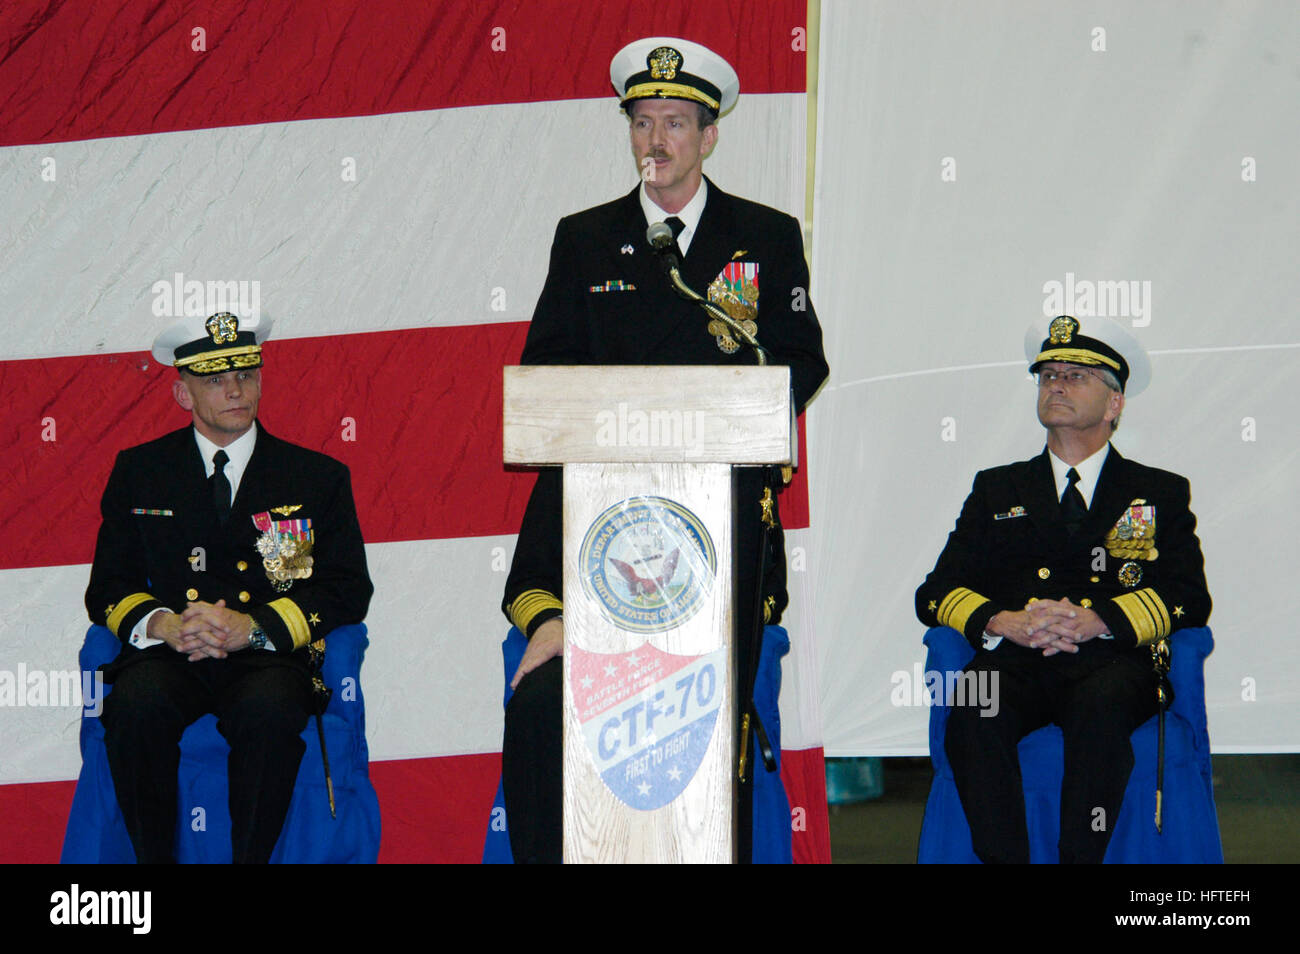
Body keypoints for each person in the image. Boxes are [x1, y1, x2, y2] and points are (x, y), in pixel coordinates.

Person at [501, 36, 829, 863]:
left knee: (711, 732)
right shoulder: (584, 238)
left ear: (710, 134)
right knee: (544, 713)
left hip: (721, 530)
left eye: (675, 123)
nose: (656, 140)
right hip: (599, 529)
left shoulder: (764, 234)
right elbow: (547, 370)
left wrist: (715, 407)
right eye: (642, 122)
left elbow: (804, 359)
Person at [915, 314, 1211, 863]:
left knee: (1100, 712)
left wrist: (1100, 619)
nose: (1056, 384)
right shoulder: (998, 487)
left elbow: (1189, 596)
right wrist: (1003, 622)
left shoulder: (1157, 492)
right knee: (974, 708)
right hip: (1018, 659)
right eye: (1048, 374)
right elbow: (935, 592)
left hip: (1114, 661)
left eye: (1076, 375)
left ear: (1115, 403)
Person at [85, 311, 373, 863]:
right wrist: (163, 624)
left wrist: (255, 628)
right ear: (182, 393)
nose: (235, 389)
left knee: (270, 712)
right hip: (173, 652)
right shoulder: (141, 471)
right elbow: (108, 586)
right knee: (134, 709)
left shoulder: (315, 477)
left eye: (245, 374)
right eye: (215, 380)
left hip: (265, 656)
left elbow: (346, 587)